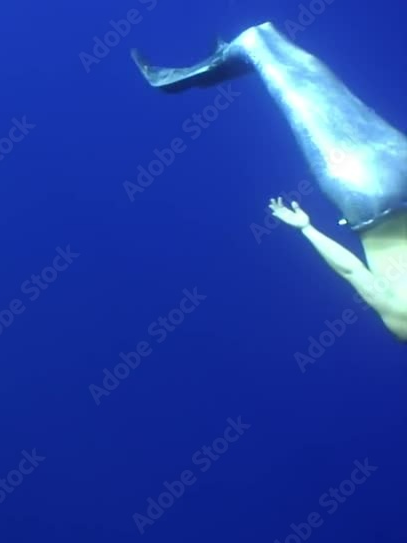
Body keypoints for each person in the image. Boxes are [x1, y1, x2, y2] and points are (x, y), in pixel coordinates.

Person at [130, 21, 407, 341]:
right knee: (300, 90)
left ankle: (240, 51)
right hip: (367, 197)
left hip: (383, 187)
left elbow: (356, 273)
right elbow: (353, 271)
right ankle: (235, 53)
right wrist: (306, 228)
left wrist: (307, 228)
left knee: (319, 84)